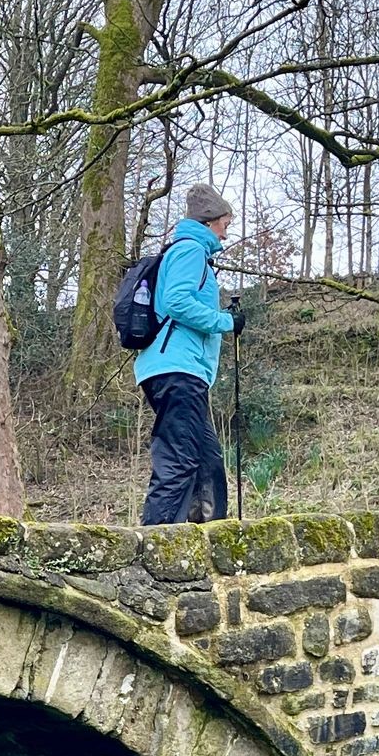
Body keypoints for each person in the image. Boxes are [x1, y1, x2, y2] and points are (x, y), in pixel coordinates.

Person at [135, 183, 242, 526]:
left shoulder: (193, 252)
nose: (226, 234)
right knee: (179, 459)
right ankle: (157, 546)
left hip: (182, 368)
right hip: (177, 368)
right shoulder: (190, 250)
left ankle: (209, 537)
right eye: (225, 224)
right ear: (210, 221)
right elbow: (178, 302)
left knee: (207, 458)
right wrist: (225, 321)